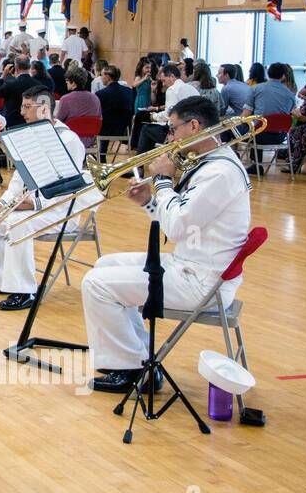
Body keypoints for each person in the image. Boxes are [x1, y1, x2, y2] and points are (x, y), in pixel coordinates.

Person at [83, 96, 251, 393]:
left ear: (195, 126)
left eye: (172, 129)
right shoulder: (208, 163)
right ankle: (139, 360)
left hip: (202, 282)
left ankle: (131, 368)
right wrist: (150, 202)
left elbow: (176, 227)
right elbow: (182, 219)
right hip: (192, 262)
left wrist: (161, 181)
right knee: (103, 265)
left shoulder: (219, 172)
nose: (169, 137)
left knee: (96, 284)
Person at [0, 86, 86, 311]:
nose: (22, 112)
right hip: (32, 207)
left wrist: (33, 203)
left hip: (61, 210)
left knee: (18, 223)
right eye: (22, 106)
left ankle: (25, 291)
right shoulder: (29, 135)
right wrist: (3, 203)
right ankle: (4, 280)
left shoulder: (69, 140)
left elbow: (68, 190)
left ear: (44, 108)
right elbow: (18, 178)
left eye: (27, 107)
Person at [242, 62, 298, 174]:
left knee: (240, 129)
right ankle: (255, 164)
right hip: (280, 136)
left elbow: (245, 115)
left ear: (268, 73)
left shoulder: (256, 88)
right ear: (283, 76)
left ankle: (243, 163)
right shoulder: (291, 95)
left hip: (258, 134)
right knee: (258, 127)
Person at [138, 63, 198, 153]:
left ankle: (140, 165)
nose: (163, 84)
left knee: (146, 129)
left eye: (164, 80)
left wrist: (153, 117)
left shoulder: (172, 89)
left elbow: (169, 114)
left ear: (172, 76)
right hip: (194, 131)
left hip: (178, 132)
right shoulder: (192, 88)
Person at [96, 65, 134, 151]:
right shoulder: (129, 91)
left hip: (105, 130)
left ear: (107, 77)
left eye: (102, 75)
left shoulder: (100, 94)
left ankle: (100, 154)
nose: (101, 78)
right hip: (123, 130)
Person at [0, 56, 40, 127]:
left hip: (12, 122)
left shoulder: (11, 84)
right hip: (32, 121)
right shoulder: (38, 84)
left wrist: (3, 75)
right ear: (29, 66)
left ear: (16, 67)